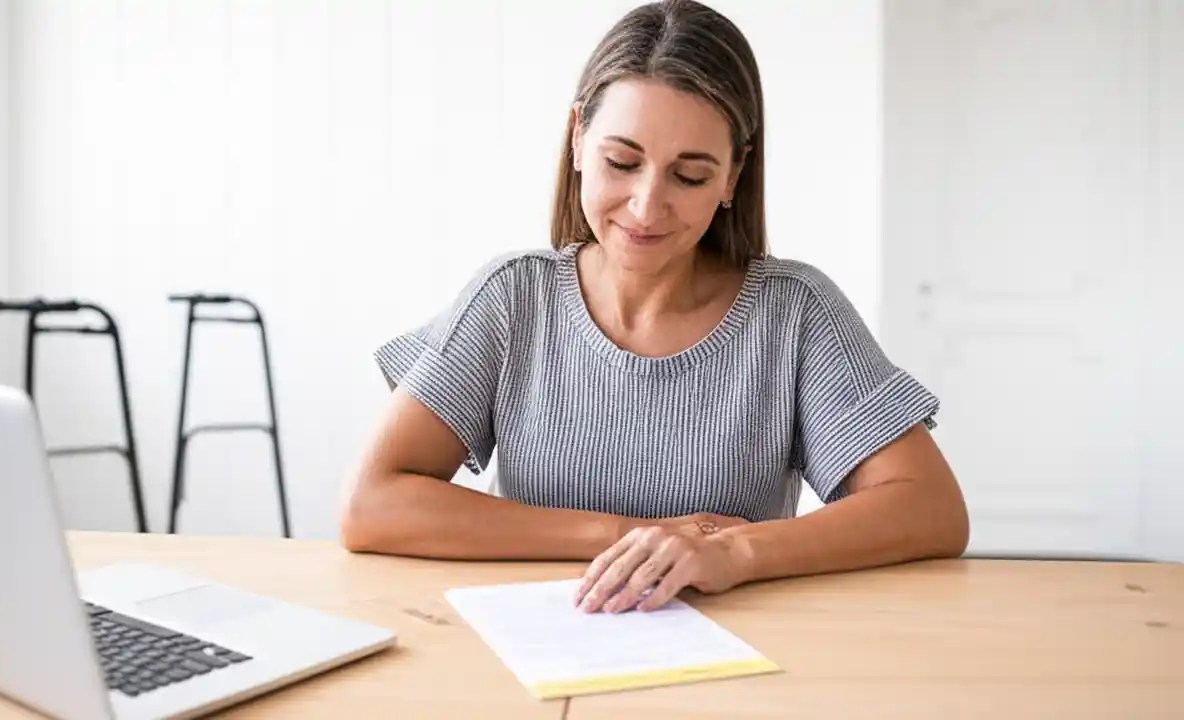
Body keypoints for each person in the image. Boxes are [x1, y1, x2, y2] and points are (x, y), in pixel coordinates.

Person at [340, 0, 968, 614]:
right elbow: (372, 503)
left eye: (689, 176)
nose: (646, 207)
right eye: (622, 162)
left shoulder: (795, 313)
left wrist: (737, 552)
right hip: (548, 650)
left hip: (735, 662)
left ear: (733, 175)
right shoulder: (511, 298)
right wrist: (625, 536)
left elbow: (932, 508)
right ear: (578, 138)